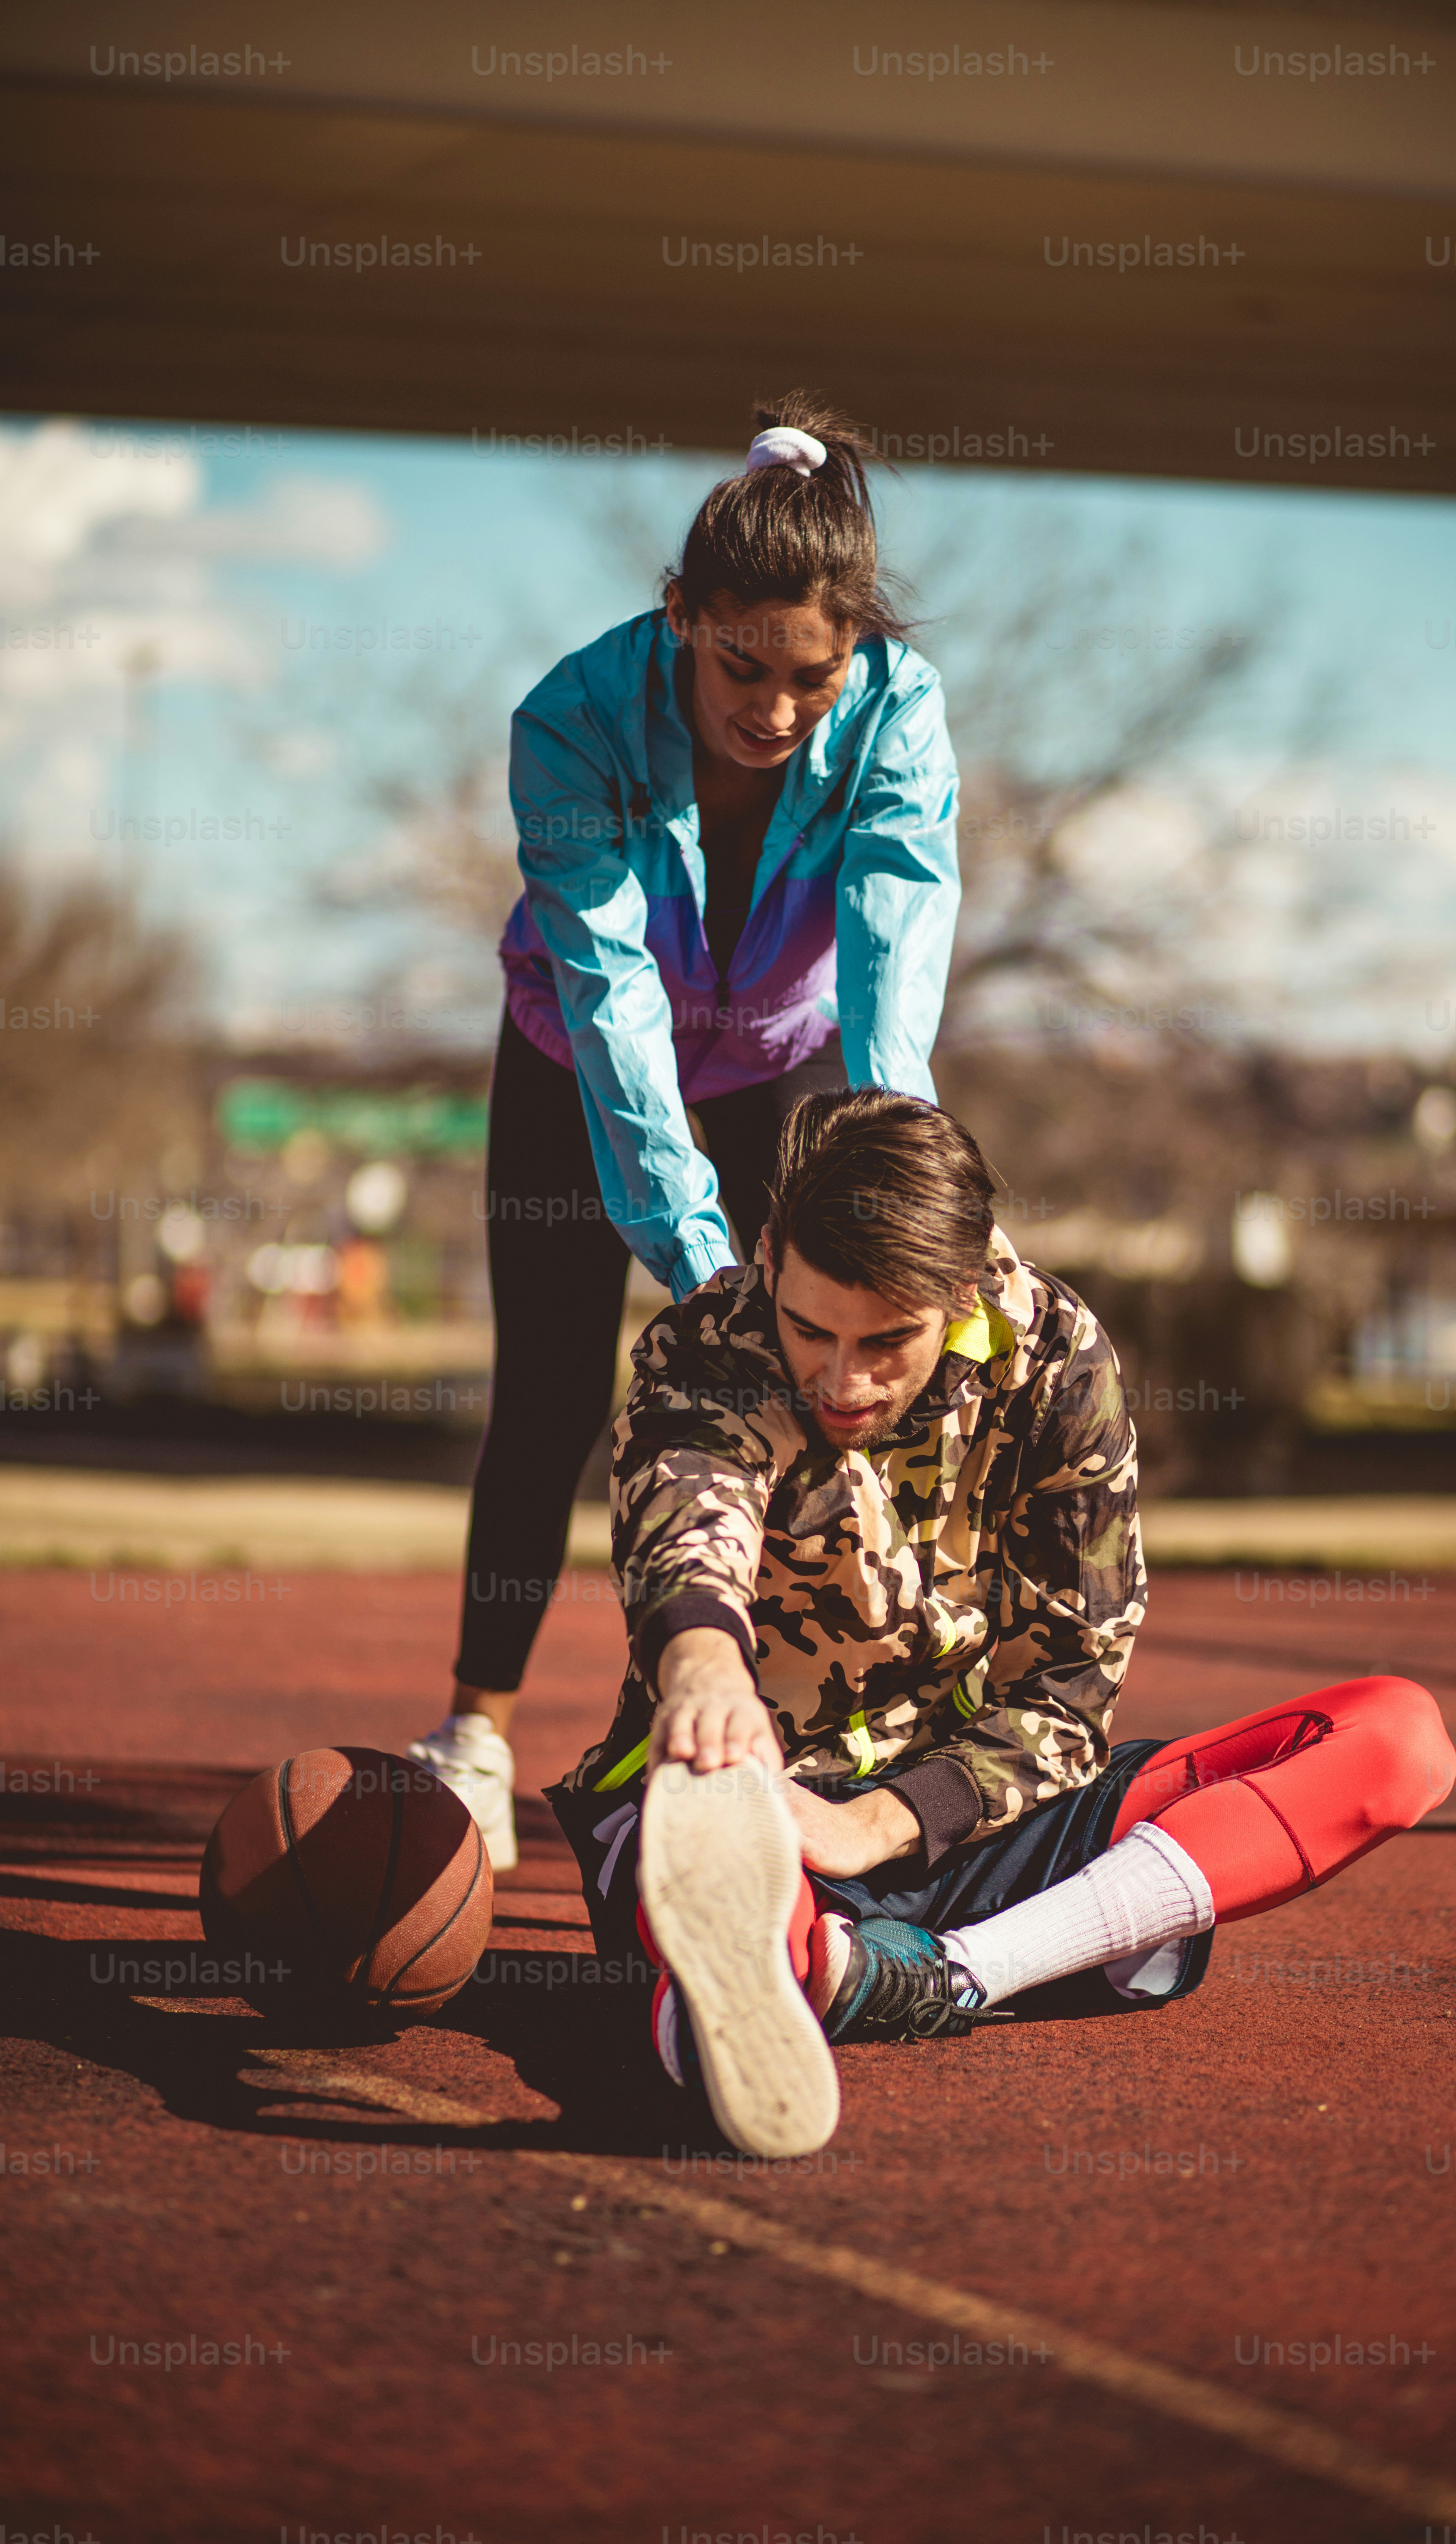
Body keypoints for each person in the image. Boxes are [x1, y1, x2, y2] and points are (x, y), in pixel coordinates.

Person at [550, 1088, 1456, 2160]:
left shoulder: (1059, 1357)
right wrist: (704, 1671)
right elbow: (688, 1525)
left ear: (964, 1290)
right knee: (701, 1853)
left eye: (888, 1341)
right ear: (770, 1258)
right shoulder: (706, 1346)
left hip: (970, 1817)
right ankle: (765, 1977)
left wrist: (883, 1821)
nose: (842, 1380)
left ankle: (948, 1973)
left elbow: (1073, 1688)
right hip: (751, 1809)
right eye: (810, 1329)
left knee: (1394, 1737)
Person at [407, 397, 960, 1868]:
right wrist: (706, 1258)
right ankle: (474, 1730)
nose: (775, 710)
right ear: (681, 616)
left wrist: (890, 1150)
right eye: (740, 663)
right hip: (573, 1063)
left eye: (810, 677)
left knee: (809, 1392)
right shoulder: (570, 719)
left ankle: (776, 1734)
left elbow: (892, 946)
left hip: (778, 1066)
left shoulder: (897, 707)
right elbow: (612, 997)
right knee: (551, 1396)